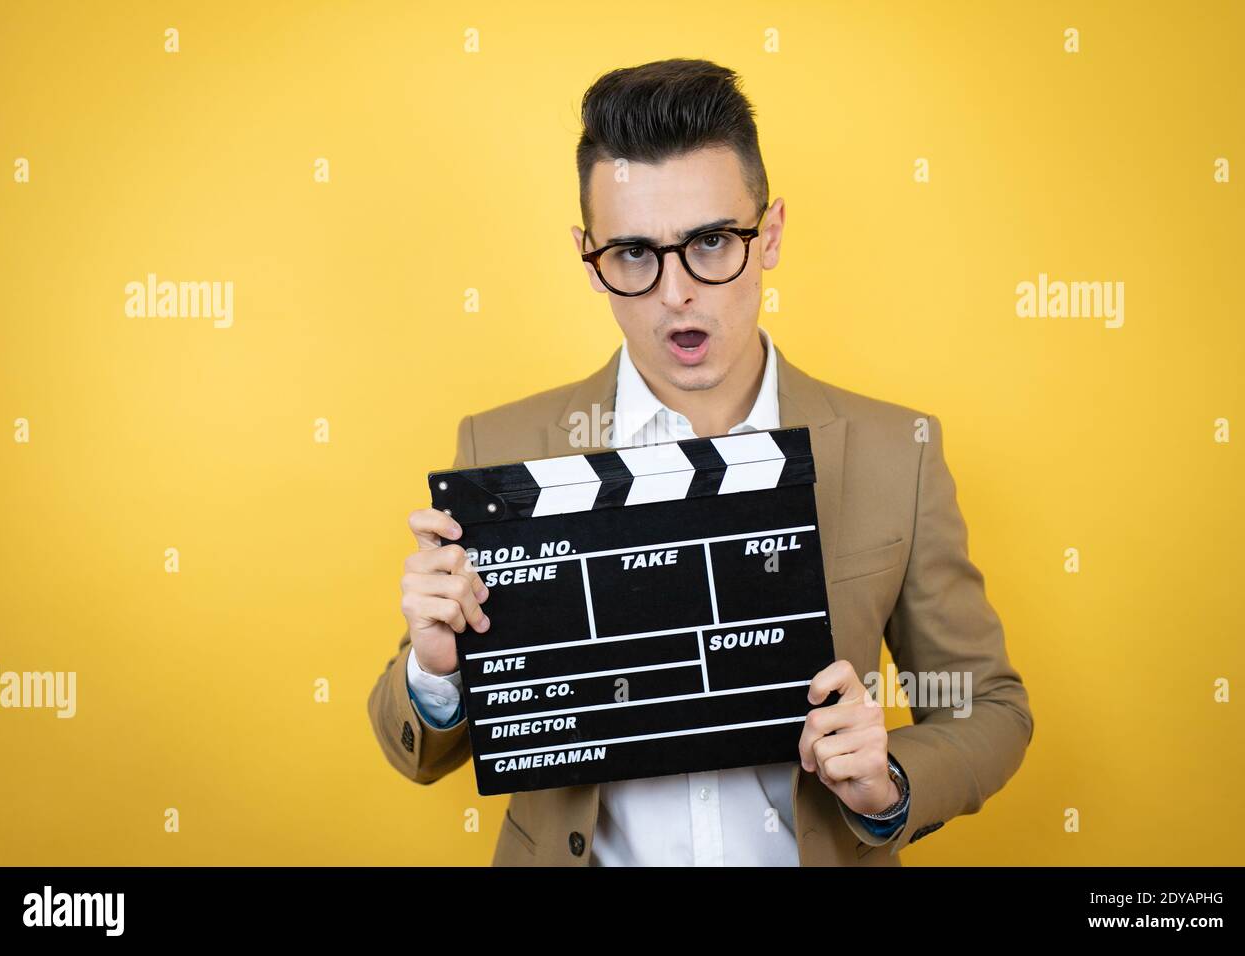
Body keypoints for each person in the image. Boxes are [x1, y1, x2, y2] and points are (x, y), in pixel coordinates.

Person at [368, 58, 1033, 866]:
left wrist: (889, 779)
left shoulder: (900, 452)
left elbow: (987, 704)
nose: (677, 292)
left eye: (712, 242)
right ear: (588, 257)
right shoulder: (504, 449)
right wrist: (439, 672)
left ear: (772, 233)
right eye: (634, 254)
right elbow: (418, 754)